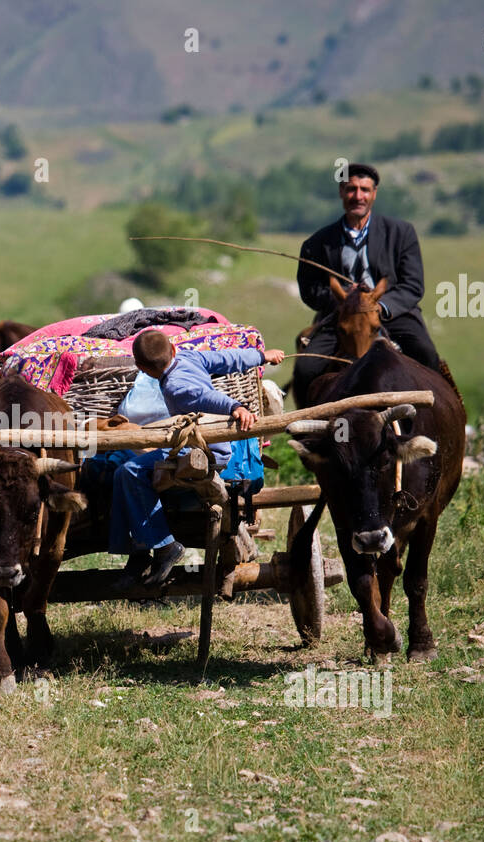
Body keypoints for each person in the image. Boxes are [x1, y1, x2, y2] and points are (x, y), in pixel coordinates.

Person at [110, 330, 284, 590]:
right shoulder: (189, 357)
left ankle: (163, 545)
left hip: (203, 452)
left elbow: (206, 398)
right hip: (205, 445)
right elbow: (226, 358)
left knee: (129, 472)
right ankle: (144, 550)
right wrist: (260, 356)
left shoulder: (175, 386)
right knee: (132, 465)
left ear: (141, 368)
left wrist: (234, 407)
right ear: (173, 348)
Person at [291, 161, 442, 402]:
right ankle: (308, 430)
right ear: (341, 192)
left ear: (374, 194)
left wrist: (378, 305)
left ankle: (438, 420)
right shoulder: (316, 243)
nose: (357, 196)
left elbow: (412, 285)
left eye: (364, 190)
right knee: (305, 368)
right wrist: (345, 300)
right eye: (351, 189)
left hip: (393, 315)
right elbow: (310, 290)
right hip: (341, 319)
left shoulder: (401, 233)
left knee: (425, 353)